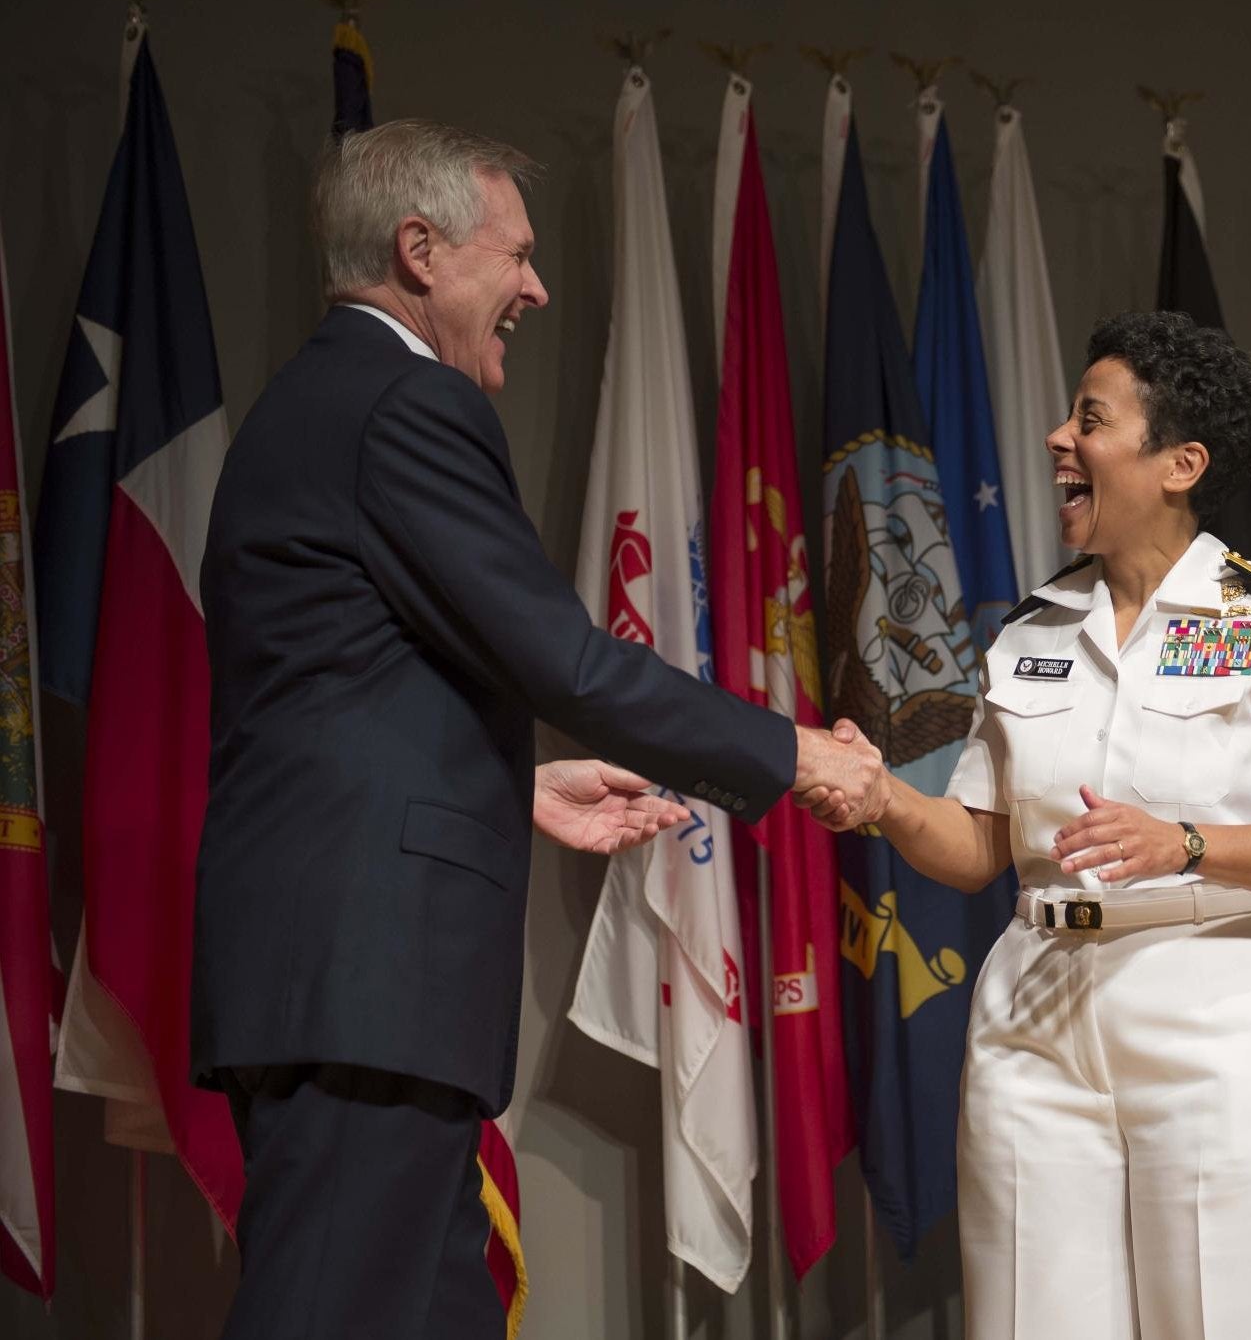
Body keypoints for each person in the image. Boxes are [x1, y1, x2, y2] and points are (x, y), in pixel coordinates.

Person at [191, 120, 881, 1340]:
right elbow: (567, 658)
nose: (536, 287)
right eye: (513, 255)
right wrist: (796, 753)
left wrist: (512, 782)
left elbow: (333, 688)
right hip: (365, 982)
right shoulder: (403, 402)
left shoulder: (317, 406)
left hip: (349, 976)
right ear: (419, 251)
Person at [835, 311, 1251, 1338]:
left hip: (1215, 1013)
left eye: (1089, 420)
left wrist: (1185, 844)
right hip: (1034, 1017)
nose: (1058, 439)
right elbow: (980, 845)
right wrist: (887, 800)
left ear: (1180, 462)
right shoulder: (1032, 632)